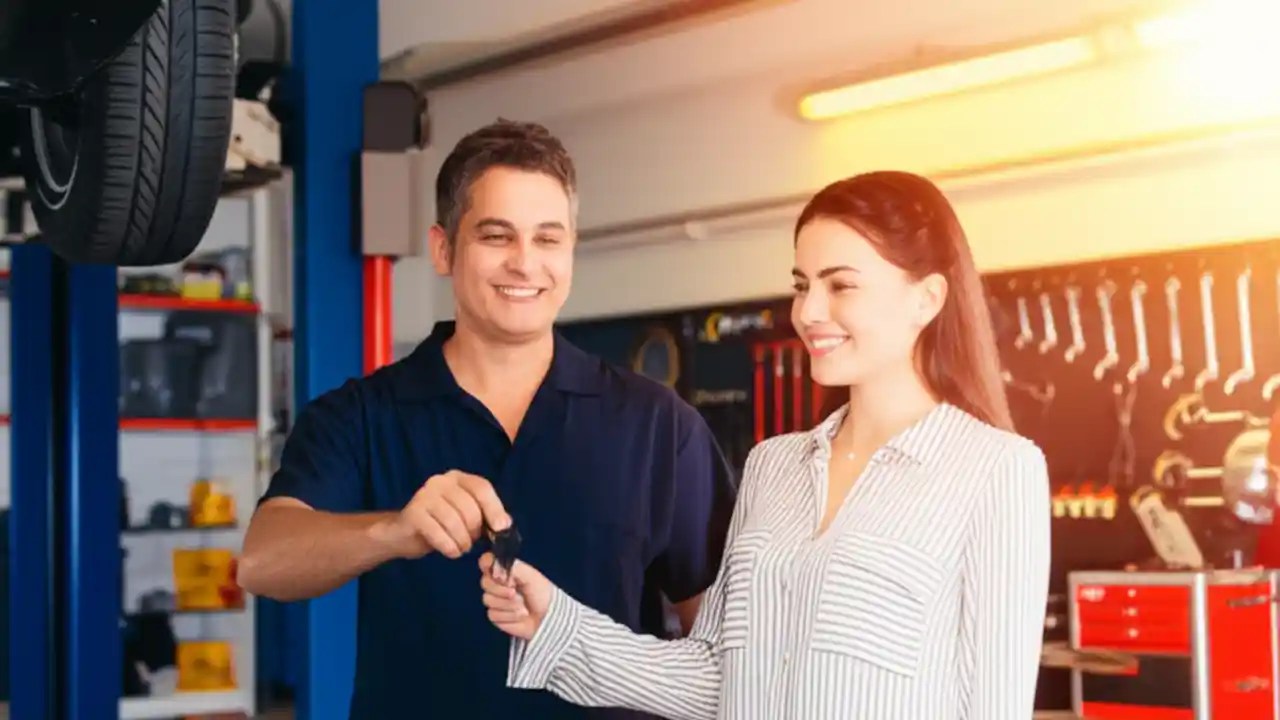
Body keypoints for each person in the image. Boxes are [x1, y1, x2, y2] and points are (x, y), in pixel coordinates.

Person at [480, 171, 1052, 720]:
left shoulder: (997, 470)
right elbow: (713, 678)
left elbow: (995, 709)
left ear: (926, 299)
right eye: (802, 285)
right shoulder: (773, 466)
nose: (808, 313)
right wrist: (556, 622)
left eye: (841, 285)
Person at [238, 119, 738, 719]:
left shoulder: (660, 428)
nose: (525, 264)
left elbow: (725, 652)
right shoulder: (362, 416)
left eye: (548, 240)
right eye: (496, 236)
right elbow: (264, 562)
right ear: (444, 249)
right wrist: (392, 532)